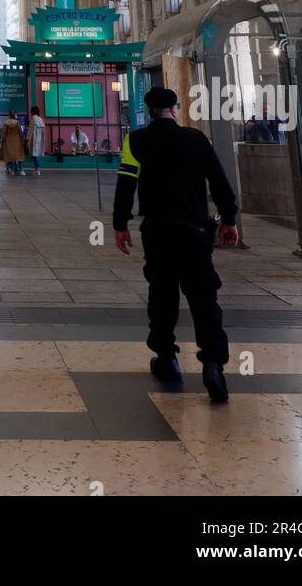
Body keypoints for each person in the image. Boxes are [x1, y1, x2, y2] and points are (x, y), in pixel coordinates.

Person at [113, 86, 239, 405]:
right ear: (175, 108)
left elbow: (126, 183)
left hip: (157, 232)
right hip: (194, 232)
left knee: (162, 294)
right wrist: (228, 219)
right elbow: (219, 180)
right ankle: (212, 363)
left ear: (147, 109)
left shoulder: (136, 141)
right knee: (204, 297)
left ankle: (166, 357)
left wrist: (119, 224)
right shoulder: (196, 139)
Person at [1, 111, 25, 176]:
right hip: (17, 141)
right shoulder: (17, 123)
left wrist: (3, 139)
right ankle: (21, 170)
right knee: (19, 156)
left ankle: (9, 169)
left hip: (8, 141)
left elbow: (3, 133)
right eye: (16, 115)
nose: (17, 116)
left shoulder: (5, 123)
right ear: (14, 115)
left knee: (9, 156)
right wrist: (22, 139)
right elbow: (20, 132)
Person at [28, 104, 46, 177]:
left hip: (34, 138)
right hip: (39, 138)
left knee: (34, 154)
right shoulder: (40, 119)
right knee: (36, 153)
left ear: (32, 112)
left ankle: (37, 170)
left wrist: (27, 138)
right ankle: (37, 169)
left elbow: (31, 130)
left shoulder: (33, 118)